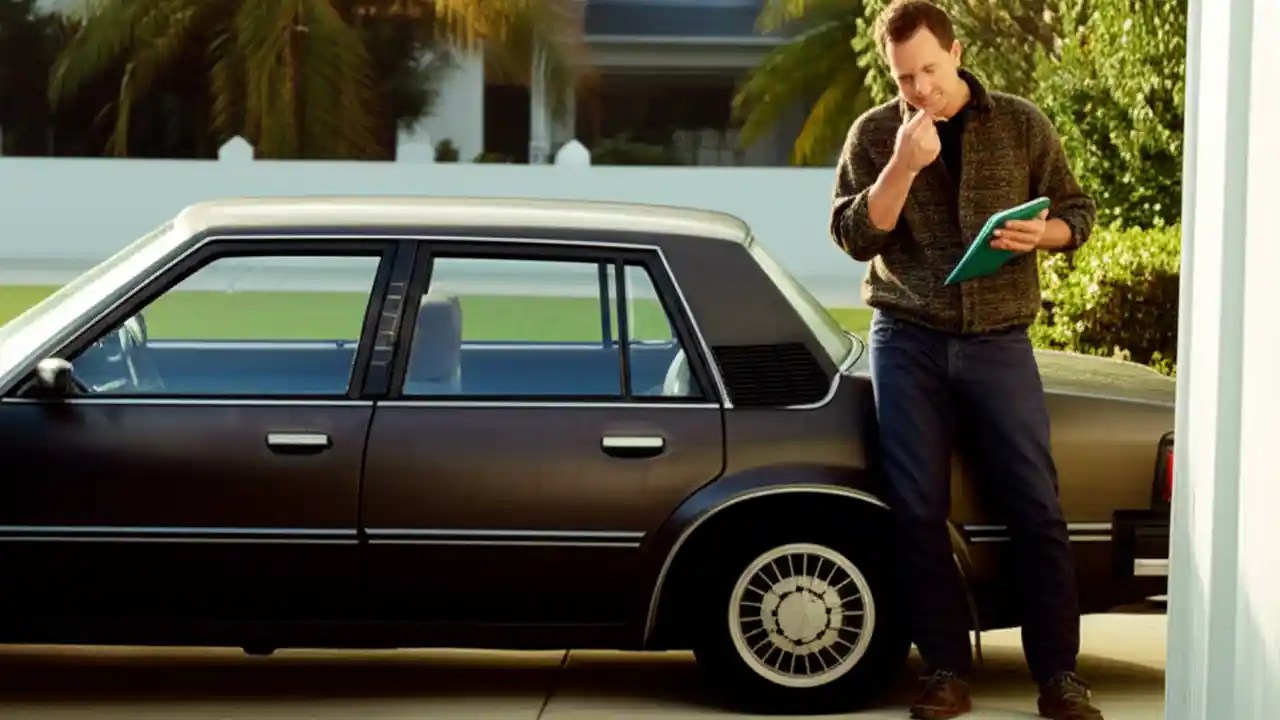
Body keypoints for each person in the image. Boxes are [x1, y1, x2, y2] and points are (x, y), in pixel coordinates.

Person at [829, 2, 1103, 719]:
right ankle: (944, 670)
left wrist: (1045, 234)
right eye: (903, 77)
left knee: (1037, 510)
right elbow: (855, 236)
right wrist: (901, 166)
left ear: (955, 51)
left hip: (999, 340)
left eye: (928, 69)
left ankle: (1059, 678)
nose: (919, 88)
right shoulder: (875, 133)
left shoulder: (1018, 122)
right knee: (917, 512)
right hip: (907, 338)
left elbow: (1079, 211)